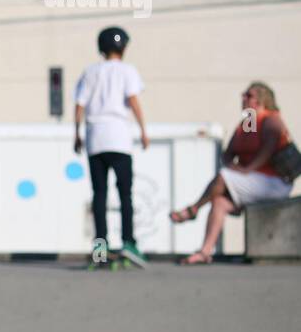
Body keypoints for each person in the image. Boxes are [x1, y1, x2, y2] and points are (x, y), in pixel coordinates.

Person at [170, 82, 293, 264]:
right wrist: (231, 163)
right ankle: (205, 252)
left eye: (248, 95)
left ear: (261, 99)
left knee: (224, 177)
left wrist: (245, 170)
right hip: (252, 182)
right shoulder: (249, 121)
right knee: (219, 202)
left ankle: (193, 209)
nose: (243, 98)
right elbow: (231, 152)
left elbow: (267, 150)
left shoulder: (271, 119)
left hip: (273, 183)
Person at [74, 26, 150, 268]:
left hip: (95, 137)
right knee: (124, 193)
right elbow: (133, 100)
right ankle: (128, 242)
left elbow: (79, 104)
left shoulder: (90, 72)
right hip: (119, 137)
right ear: (123, 47)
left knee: (99, 195)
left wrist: (76, 133)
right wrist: (143, 129)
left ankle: (100, 249)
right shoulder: (128, 71)